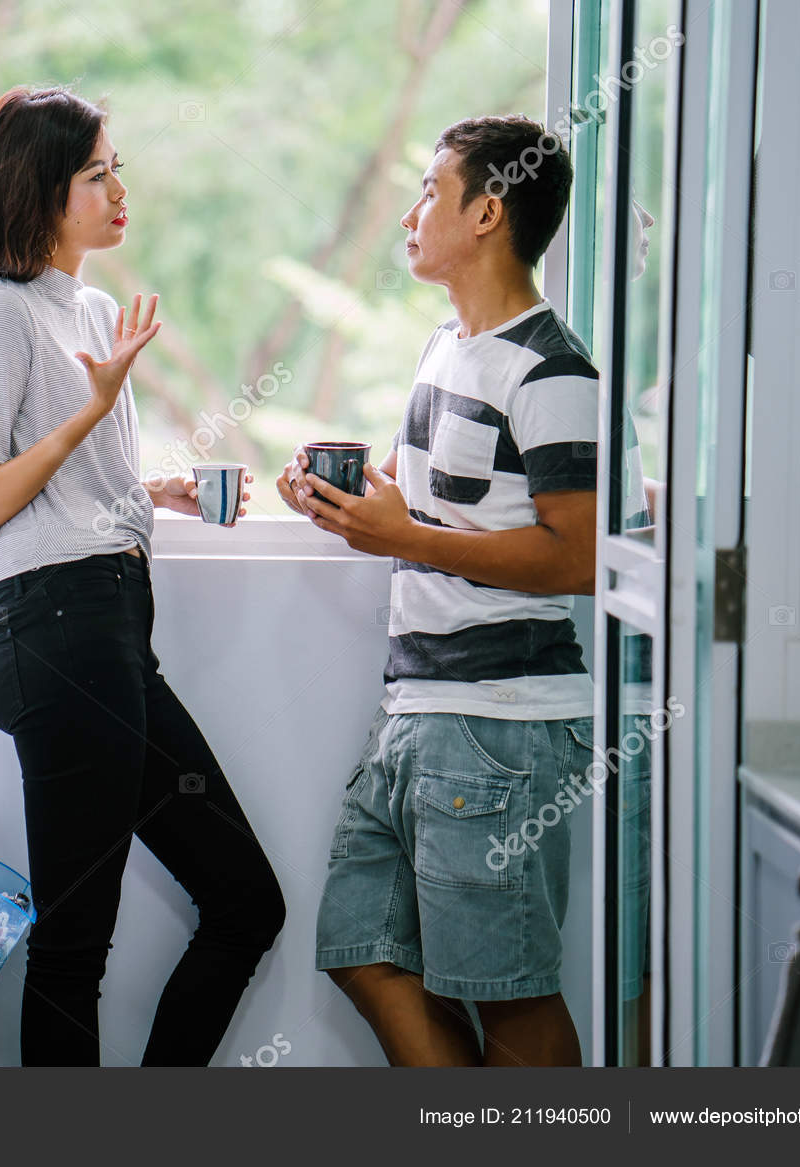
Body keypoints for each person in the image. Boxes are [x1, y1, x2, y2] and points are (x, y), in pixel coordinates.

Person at [0, 84, 285, 1067]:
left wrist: (153, 488)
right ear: (42, 192)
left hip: (105, 630)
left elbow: (66, 486)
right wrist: (89, 418)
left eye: (115, 168)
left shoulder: (86, 308)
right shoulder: (1, 318)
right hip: (53, 630)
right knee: (73, 949)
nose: (117, 188)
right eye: (96, 174)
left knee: (244, 901)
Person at [277, 115, 612, 1066]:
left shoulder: (553, 371)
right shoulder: (445, 347)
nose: (411, 213)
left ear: (487, 213)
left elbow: (578, 557)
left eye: (431, 190)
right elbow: (416, 501)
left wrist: (405, 533)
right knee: (360, 947)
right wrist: (339, 497)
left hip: (500, 725)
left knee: (509, 999)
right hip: (415, 712)